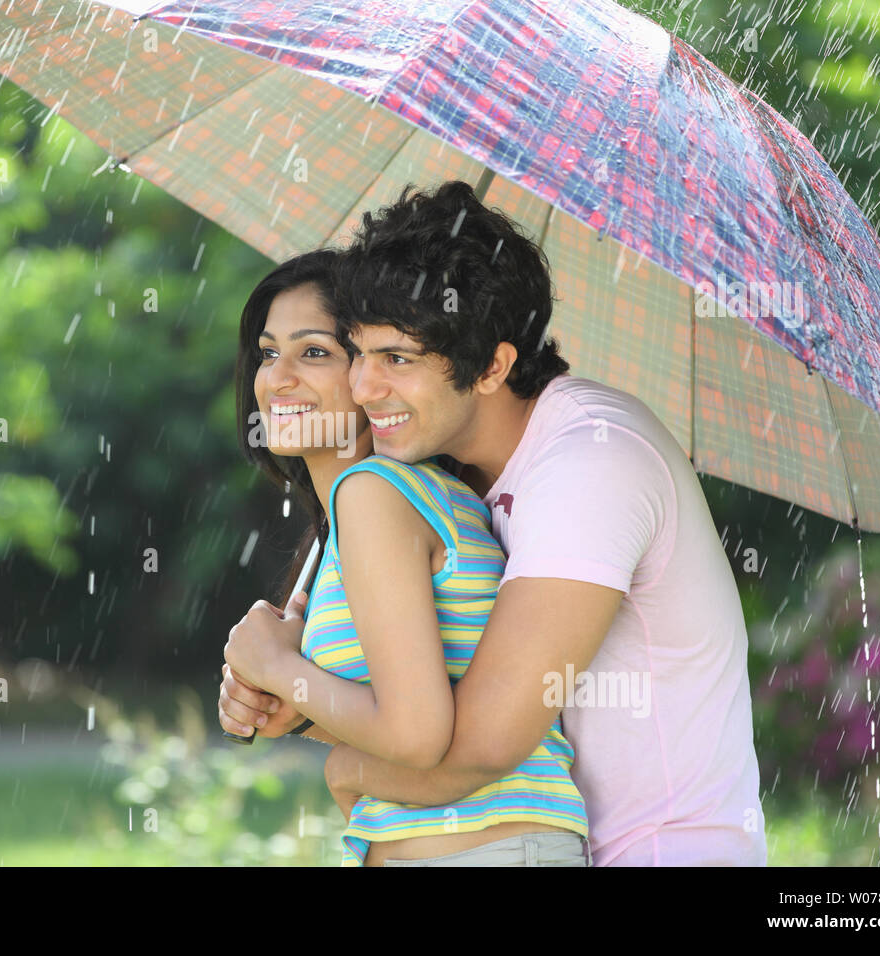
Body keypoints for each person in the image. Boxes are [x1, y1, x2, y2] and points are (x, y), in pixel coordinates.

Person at [220, 181, 767, 866]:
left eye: (398, 359)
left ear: (492, 366)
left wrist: (342, 765)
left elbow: (473, 746)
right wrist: (299, 699)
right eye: (358, 352)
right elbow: (430, 688)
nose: (364, 389)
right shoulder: (448, 478)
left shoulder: (590, 462)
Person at [220, 249, 589, 866]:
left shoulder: (376, 496)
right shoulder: (372, 507)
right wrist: (298, 709)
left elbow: (416, 736)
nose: (276, 377)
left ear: (366, 373)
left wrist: (277, 667)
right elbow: (413, 716)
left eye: (313, 352)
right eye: (266, 351)